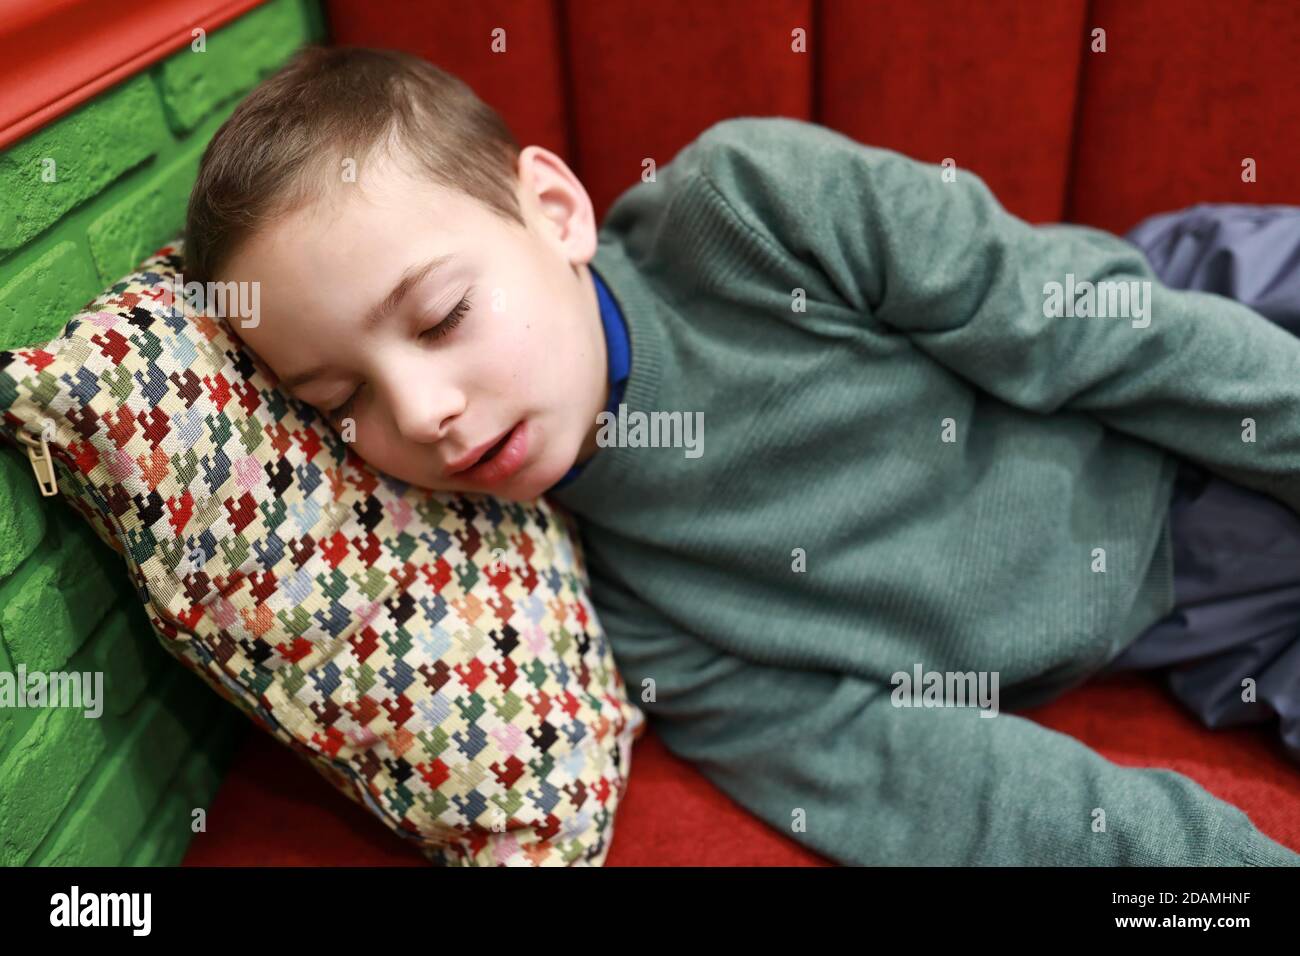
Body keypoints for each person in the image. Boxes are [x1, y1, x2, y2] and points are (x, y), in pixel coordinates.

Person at [183, 45, 1300, 866]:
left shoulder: (751, 207)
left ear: (556, 210)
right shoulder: (639, 610)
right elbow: (900, 775)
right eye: (342, 401)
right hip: (1196, 604)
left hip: (1208, 344)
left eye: (438, 316)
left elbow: (1097, 330)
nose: (421, 411)